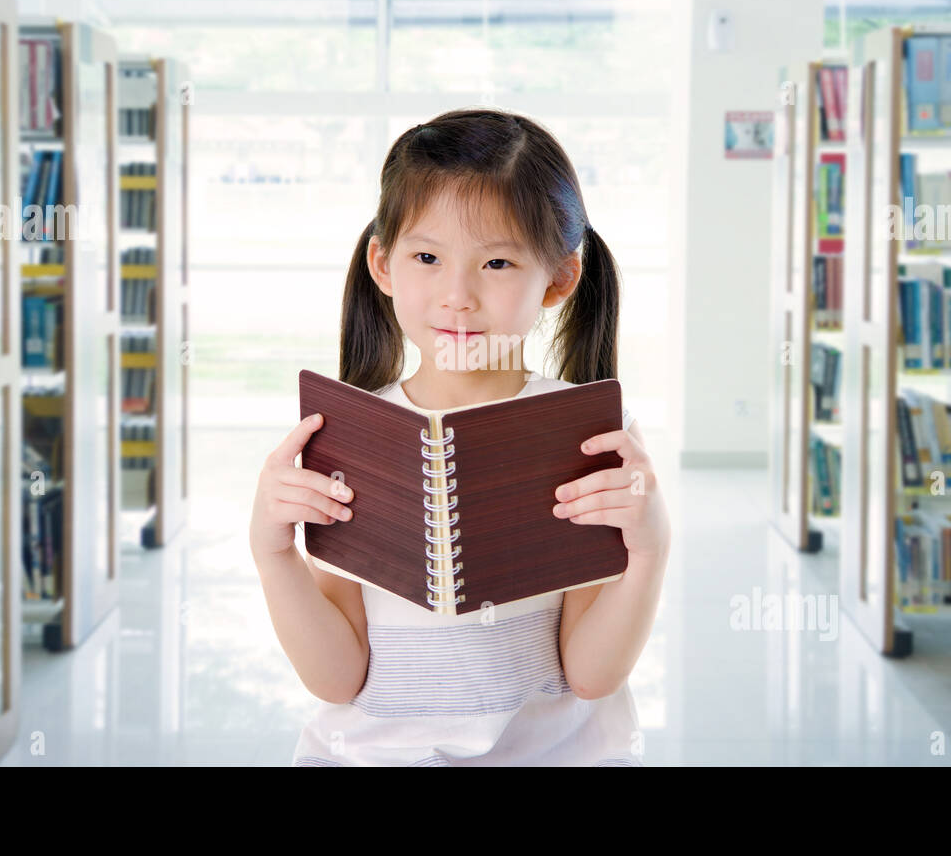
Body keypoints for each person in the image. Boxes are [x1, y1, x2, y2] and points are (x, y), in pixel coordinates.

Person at [250, 109, 670, 766]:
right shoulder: (351, 436)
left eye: (497, 262)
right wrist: (273, 552)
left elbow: (590, 673)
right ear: (384, 266)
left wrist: (649, 549)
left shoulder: (582, 438)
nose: (457, 295)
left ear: (559, 277)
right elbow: (338, 676)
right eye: (427, 257)